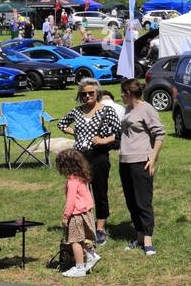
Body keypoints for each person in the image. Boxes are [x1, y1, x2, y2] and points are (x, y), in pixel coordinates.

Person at [58, 78, 121, 246]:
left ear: (97, 93)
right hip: (79, 158)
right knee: (80, 193)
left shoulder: (107, 111)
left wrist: (103, 140)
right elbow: (61, 123)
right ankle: (83, 225)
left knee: (100, 192)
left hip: (99, 156)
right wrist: (76, 133)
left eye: (91, 93)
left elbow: (118, 134)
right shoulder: (77, 111)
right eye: (84, 94)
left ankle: (100, 228)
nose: (87, 96)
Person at [118, 79, 165, 255]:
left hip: (141, 161)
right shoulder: (128, 109)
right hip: (125, 161)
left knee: (143, 202)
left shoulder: (147, 109)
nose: (121, 96)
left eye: (122, 93)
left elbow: (159, 134)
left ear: (128, 93)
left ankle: (148, 241)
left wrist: (152, 158)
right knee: (131, 201)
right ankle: (138, 237)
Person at [57, 148, 100, 277]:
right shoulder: (83, 177)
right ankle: (91, 255)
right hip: (86, 211)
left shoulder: (72, 181)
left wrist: (65, 217)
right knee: (80, 239)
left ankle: (80, 268)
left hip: (76, 214)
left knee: (74, 240)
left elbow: (70, 202)